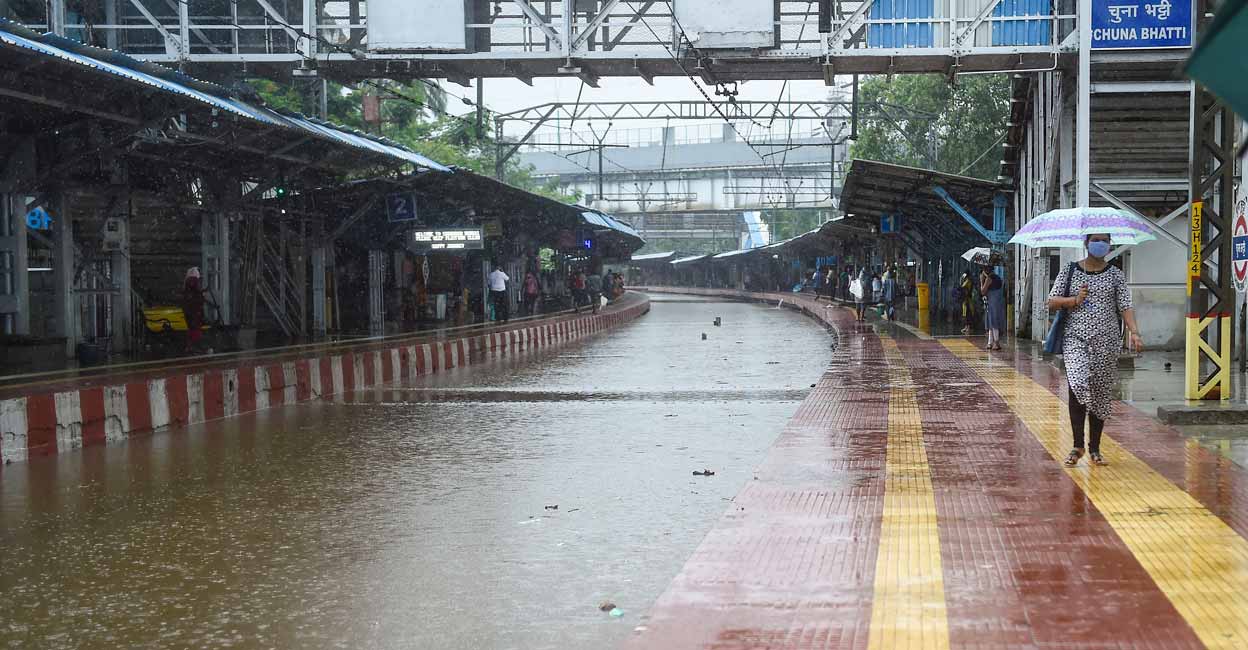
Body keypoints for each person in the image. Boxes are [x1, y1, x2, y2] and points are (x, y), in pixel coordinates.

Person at [1048, 235, 1142, 467]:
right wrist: (1074, 300)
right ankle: (1077, 444)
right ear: (1086, 242)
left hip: (1106, 341)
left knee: (1100, 393)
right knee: (1078, 382)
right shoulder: (1070, 270)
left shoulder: (1115, 274)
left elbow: (1125, 306)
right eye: (1096, 239)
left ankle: (1094, 448)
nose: (1100, 244)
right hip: (1075, 338)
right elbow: (1051, 301)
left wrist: (1135, 332)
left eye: (1104, 240)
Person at [980, 265, 1006, 351]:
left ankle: (996, 342)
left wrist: (981, 281)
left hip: (993, 302)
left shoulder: (989, 279)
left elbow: (983, 291)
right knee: (992, 321)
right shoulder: (997, 278)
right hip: (998, 302)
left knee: (993, 321)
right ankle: (990, 342)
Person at [182, 267, 206, 354]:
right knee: (195, 328)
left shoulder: (187, 287)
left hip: (190, 312)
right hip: (194, 312)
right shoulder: (195, 284)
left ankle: (190, 347)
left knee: (191, 328)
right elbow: (198, 298)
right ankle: (195, 347)